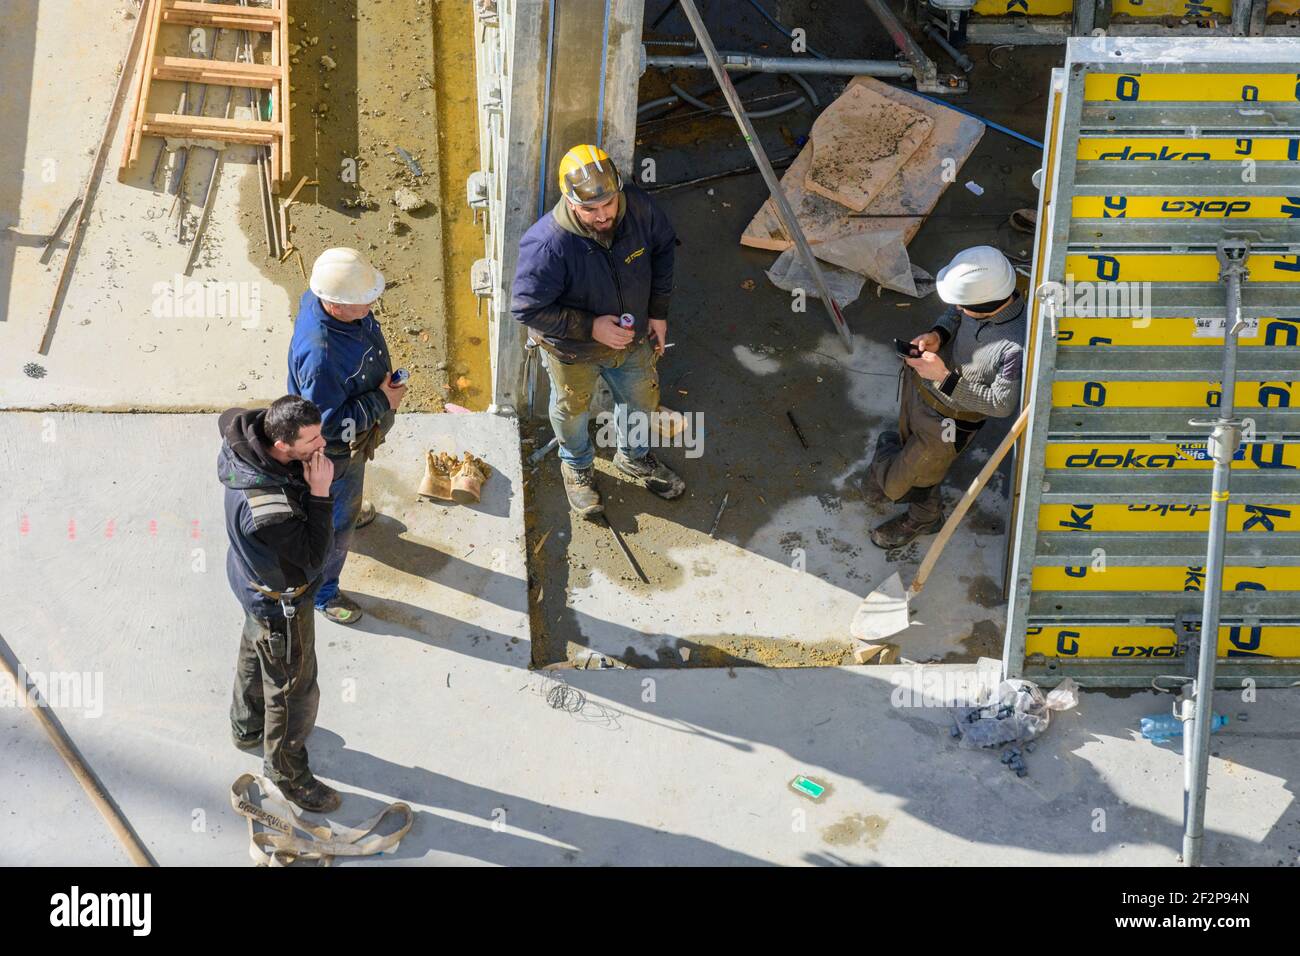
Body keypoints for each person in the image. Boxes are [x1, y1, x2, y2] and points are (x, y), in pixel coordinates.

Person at [511, 144, 684, 516]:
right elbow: (526, 308)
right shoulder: (547, 245)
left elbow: (664, 249)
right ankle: (576, 466)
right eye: (590, 209)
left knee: (641, 399)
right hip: (572, 351)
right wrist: (591, 328)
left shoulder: (638, 208)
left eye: (608, 204)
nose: (603, 215)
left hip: (633, 337)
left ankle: (633, 456)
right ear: (571, 202)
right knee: (572, 409)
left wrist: (657, 313)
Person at [219, 395, 340, 813]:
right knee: (293, 690)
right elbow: (312, 556)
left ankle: (246, 728)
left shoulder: (246, 440)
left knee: (256, 649)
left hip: (251, 581)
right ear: (284, 445)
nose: (321, 443)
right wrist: (320, 493)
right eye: (312, 439)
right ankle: (288, 772)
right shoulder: (269, 510)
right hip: (281, 601)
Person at [866, 245, 1026, 549]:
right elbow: (954, 312)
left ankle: (925, 517)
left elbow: (1001, 405)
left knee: (915, 477)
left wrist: (943, 377)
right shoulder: (990, 294)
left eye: (963, 306)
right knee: (907, 439)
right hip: (923, 390)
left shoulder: (1014, 348)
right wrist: (938, 334)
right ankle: (893, 456)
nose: (958, 310)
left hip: (949, 422)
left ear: (985, 304)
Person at [288, 248, 405, 625]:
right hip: (334, 452)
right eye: (363, 301)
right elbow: (328, 424)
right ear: (336, 306)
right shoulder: (321, 355)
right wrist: (381, 400)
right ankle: (322, 593)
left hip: (353, 439)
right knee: (335, 525)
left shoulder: (326, 300)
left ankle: (349, 511)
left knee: (347, 507)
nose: (372, 302)